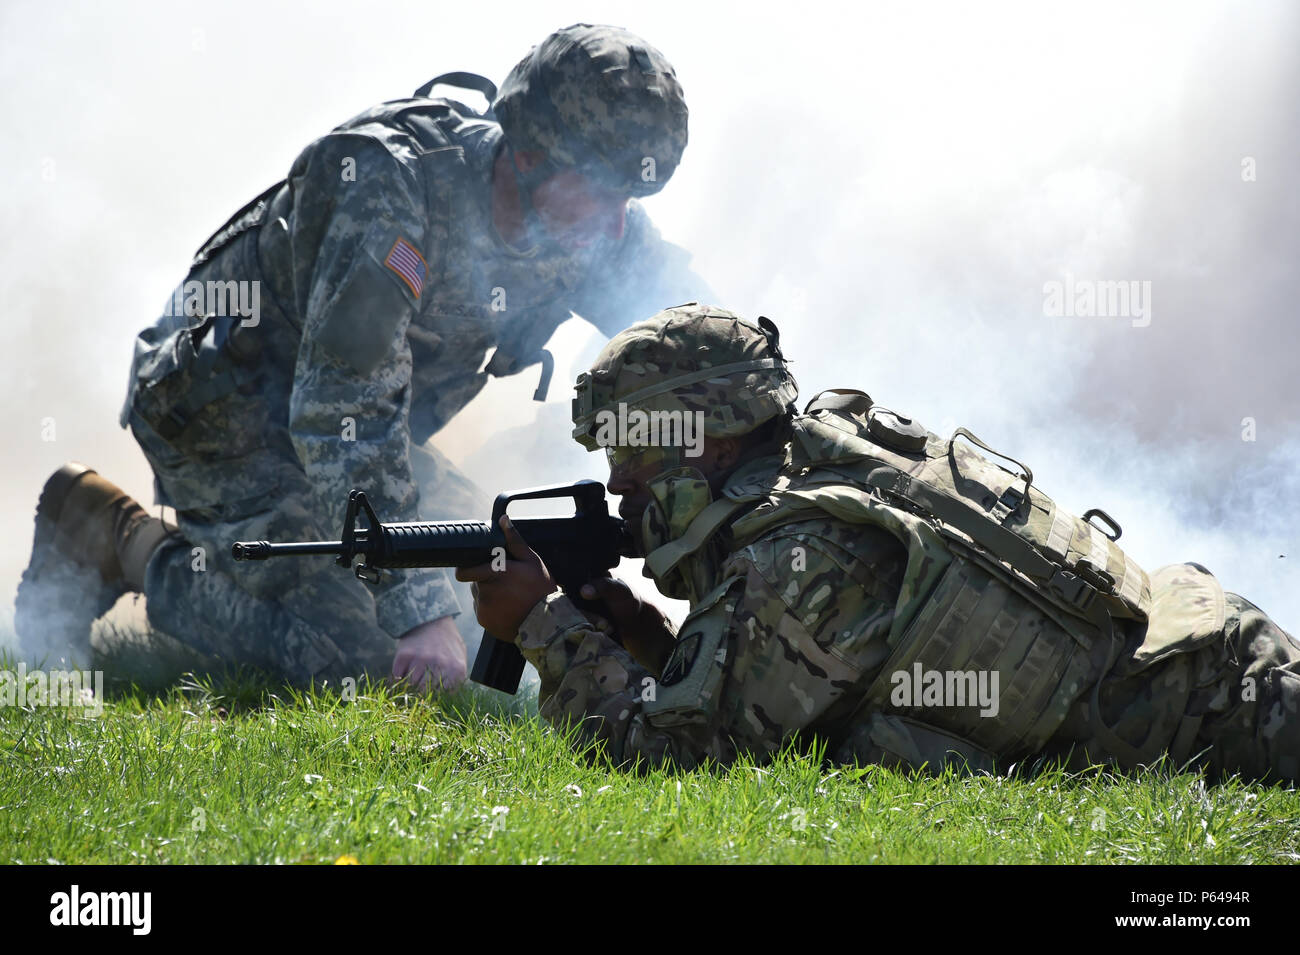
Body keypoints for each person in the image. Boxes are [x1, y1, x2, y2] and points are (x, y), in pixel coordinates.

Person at [15, 24, 711, 691]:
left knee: (499, 585)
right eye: (603, 189)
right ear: (529, 154)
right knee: (367, 653)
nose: (619, 223)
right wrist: (414, 609)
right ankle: (116, 538)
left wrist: (778, 444)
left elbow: (703, 337)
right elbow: (337, 410)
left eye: (632, 193)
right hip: (224, 414)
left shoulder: (584, 215)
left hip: (361, 429)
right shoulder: (388, 191)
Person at [461, 303, 1300, 785]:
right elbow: (786, 689)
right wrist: (651, 642)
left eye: (631, 451)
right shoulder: (814, 473)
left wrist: (541, 623)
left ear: (707, 439)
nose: (618, 484)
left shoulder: (802, 551)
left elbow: (677, 759)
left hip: (1235, 716)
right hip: (1216, 658)